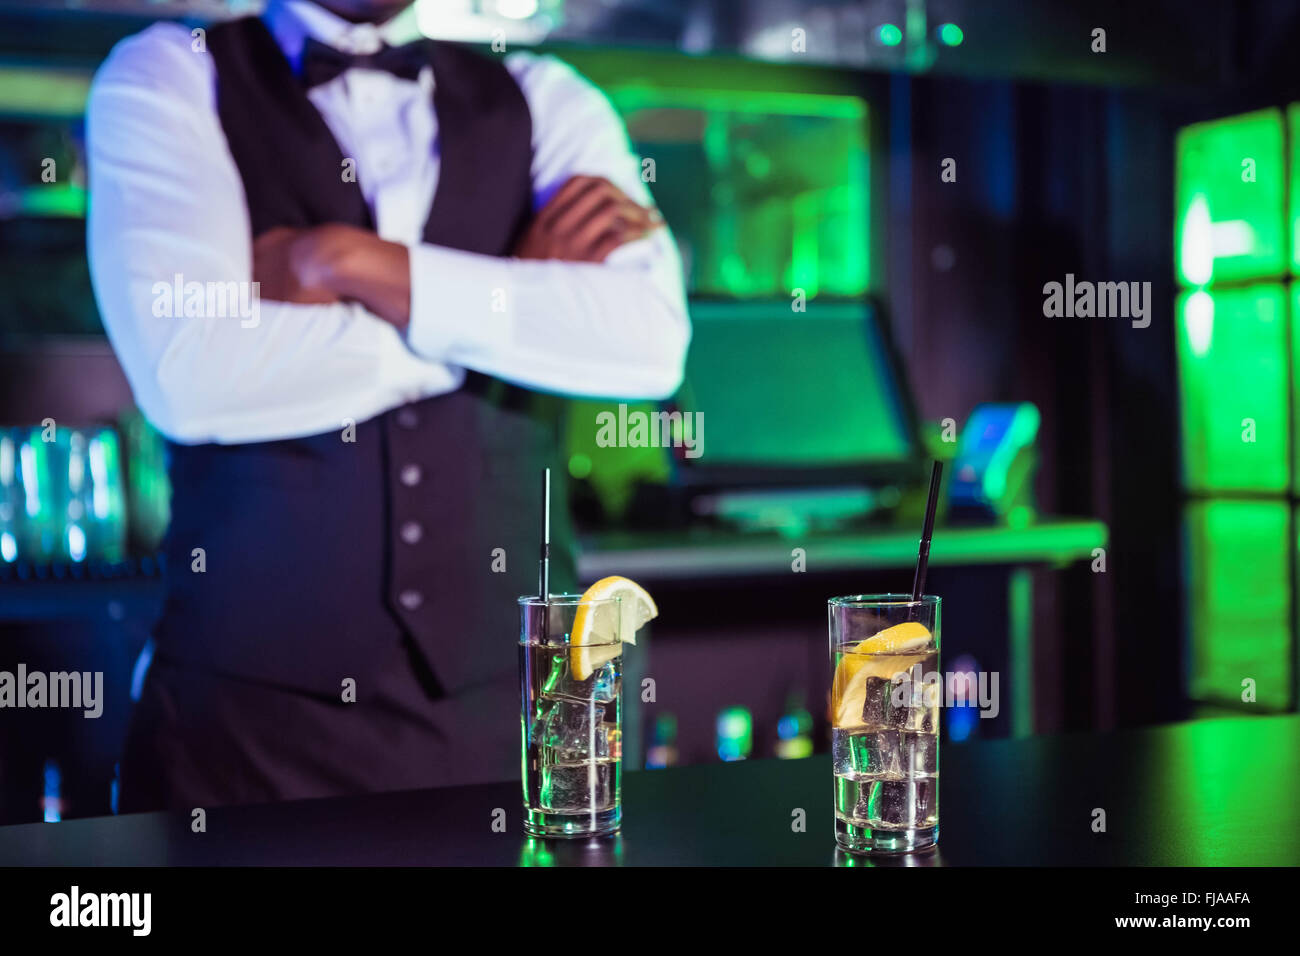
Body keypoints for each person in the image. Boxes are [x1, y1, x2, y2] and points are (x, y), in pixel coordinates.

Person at [86, 0, 689, 810]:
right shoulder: (168, 73)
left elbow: (649, 344)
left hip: (506, 716)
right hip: (242, 738)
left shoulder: (548, 94)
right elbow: (190, 373)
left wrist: (338, 261)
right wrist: (506, 300)